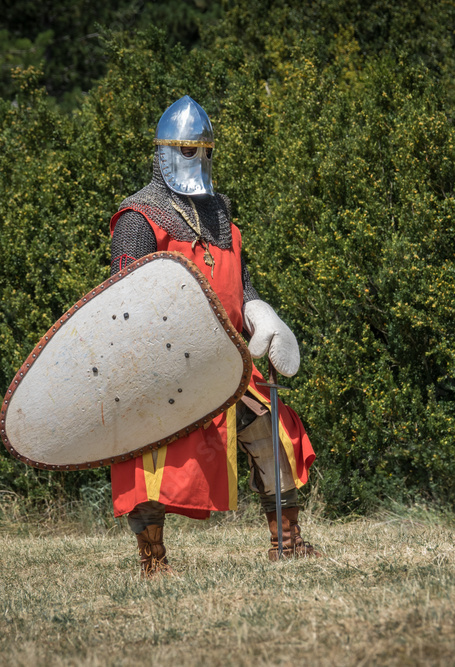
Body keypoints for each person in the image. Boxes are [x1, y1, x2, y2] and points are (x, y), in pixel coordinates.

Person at [108, 96, 319, 576]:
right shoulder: (140, 216)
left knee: (274, 431)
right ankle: (153, 560)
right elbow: (126, 301)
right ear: (164, 152)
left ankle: (287, 544)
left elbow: (239, 281)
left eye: (203, 151)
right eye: (187, 150)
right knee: (151, 461)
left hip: (227, 359)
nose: (196, 159)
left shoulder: (219, 212)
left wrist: (259, 311)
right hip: (164, 366)